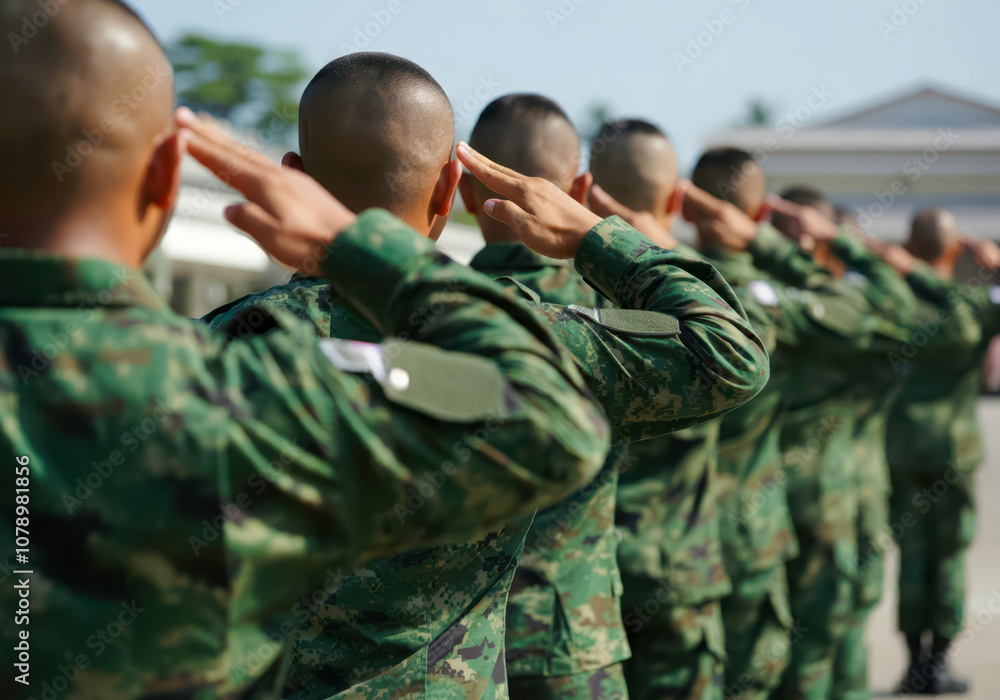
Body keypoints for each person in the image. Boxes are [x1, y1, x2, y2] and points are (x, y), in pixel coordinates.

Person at [0, 4, 616, 696]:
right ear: (166, 175)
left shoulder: (234, 346)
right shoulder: (243, 394)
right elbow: (555, 419)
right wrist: (367, 251)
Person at [204, 63, 770, 698]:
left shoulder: (212, 349)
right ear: (452, 189)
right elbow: (728, 355)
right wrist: (595, 237)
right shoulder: (524, 341)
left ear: (294, 182)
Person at [462, 93, 629, 699]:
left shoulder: (420, 309)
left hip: (447, 653)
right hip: (569, 635)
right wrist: (610, 244)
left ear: (461, 192)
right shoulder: (615, 320)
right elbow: (730, 345)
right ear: (577, 190)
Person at [588, 120, 731, 700]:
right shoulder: (719, 301)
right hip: (679, 568)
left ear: (585, 190)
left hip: (582, 585)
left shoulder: (540, 298)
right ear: (676, 199)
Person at [768, 186, 918, 700]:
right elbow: (905, 309)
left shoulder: (750, 302)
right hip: (845, 494)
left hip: (768, 499)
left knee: (779, 639)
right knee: (838, 630)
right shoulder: (860, 313)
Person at [888, 208, 1000, 695]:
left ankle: (912, 663)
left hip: (900, 448)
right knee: (949, 553)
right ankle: (939, 664)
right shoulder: (973, 308)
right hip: (954, 449)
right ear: (954, 251)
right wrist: (994, 263)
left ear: (909, 249)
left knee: (912, 552)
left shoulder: (890, 302)